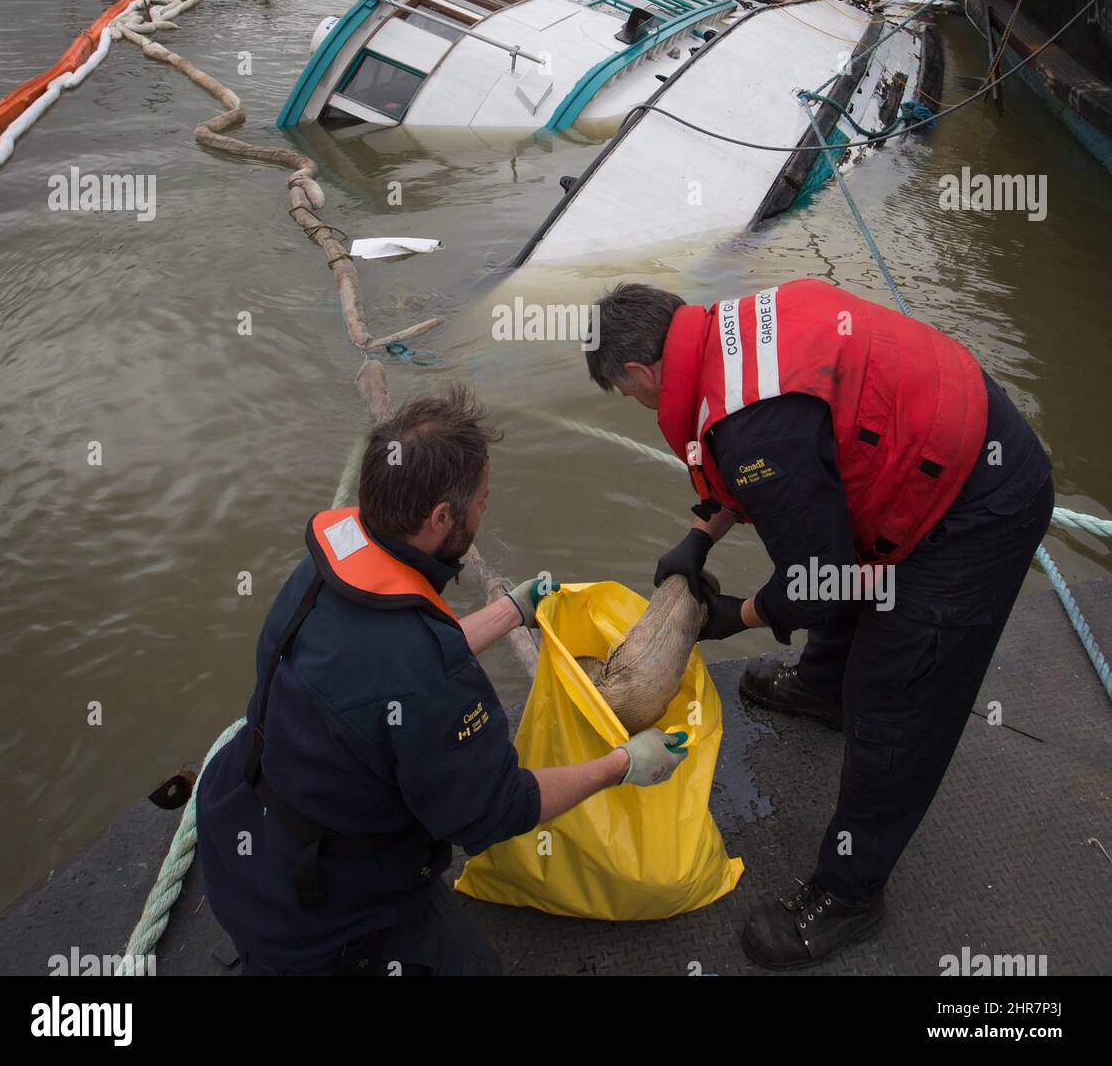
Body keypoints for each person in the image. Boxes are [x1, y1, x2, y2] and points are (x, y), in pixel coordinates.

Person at [584, 278, 1053, 970]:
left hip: (974, 504)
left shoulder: (750, 424)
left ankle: (849, 895)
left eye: (631, 395)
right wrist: (699, 535)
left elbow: (818, 578)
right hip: (925, 447)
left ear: (638, 370)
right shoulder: (727, 332)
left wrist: (731, 617)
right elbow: (787, 462)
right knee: (853, 551)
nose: (640, 403)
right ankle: (822, 688)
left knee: (896, 695)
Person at [196, 385, 687, 976]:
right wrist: (623, 764)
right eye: (481, 500)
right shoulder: (429, 674)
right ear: (440, 519)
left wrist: (511, 610)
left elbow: (393, 662)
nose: (485, 511)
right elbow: (497, 809)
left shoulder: (321, 572)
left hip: (236, 830)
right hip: (320, 903)